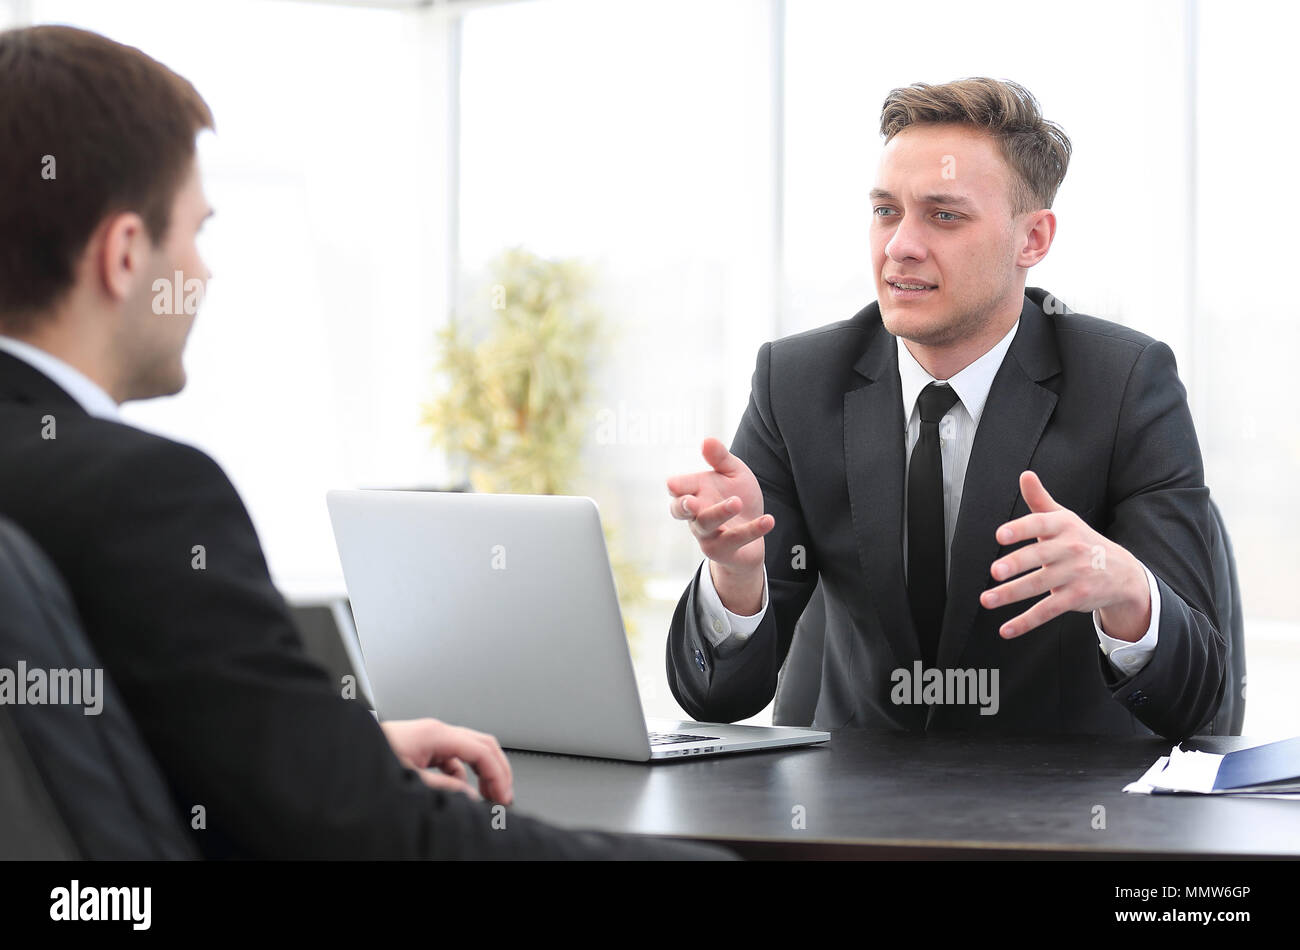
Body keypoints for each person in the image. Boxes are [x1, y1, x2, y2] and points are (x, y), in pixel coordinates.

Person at [0, 24, 730, 860]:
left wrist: (336, 750)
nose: (204, 274)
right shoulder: (141, 494)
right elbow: (373, 838)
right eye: (195, 234)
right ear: (125, 255)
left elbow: (99, 754)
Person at [666, 78, 1224, 741]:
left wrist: (1130, 592)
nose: (901, 245)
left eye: (945, 215)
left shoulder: (1126, 384)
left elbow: (1197, 700)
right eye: (885, 210)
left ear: (1033, 239)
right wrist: (734, 574)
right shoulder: (797, 383)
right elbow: (718, 697)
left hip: (1061, 821)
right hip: (851, 820)